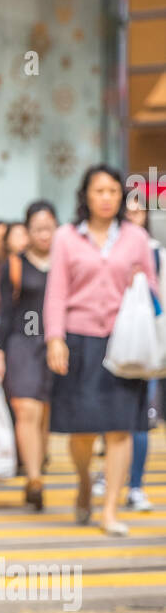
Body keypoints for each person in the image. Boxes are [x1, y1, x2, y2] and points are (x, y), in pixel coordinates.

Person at [44, 165, 158, 536]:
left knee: (121, 428)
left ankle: (109, 509)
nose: (107, 197)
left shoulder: (135, 237)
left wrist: (144, 286)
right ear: (86, 196)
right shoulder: (66, 237)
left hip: (126, 343)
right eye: (99, 191)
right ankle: (82, 481)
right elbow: (57, 291)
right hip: (79, 340)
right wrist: (54, 338)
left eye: (113, 191)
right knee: (81, 431)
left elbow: (154, 295)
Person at [0, 201, 57, 510]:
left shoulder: (65, 262)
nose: (44, 234)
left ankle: (38, 463)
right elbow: (5, 311)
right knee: (26, 409)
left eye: (49, 227)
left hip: (56, 344)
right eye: (38, 229)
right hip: (21, 344)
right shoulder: (15, 264)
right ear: (27, 232)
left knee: (45, 412)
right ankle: (34, 479)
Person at [123, 191, 164, 511]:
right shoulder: (109, 250)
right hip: (111, 340)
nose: (135, 218)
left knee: (141, 418)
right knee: (108, 416)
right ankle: (105, 477)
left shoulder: (155, 253)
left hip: (145, 344)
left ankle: (135, 485)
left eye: (140, 214)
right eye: (129, 213)